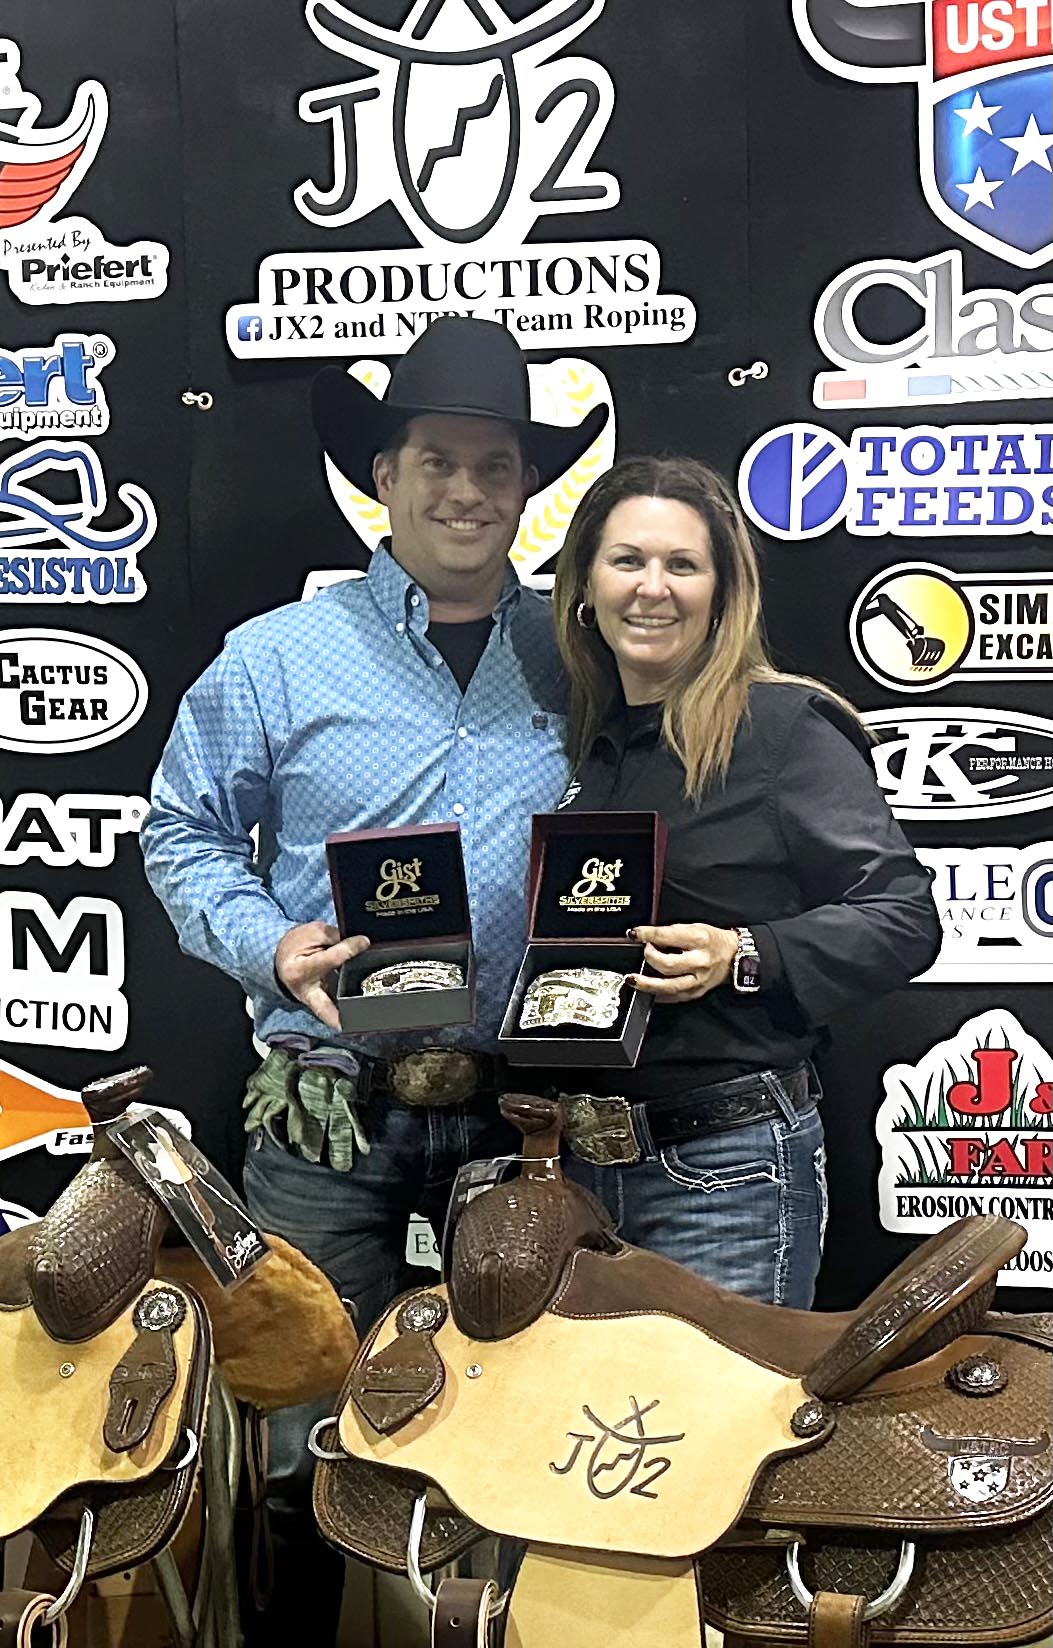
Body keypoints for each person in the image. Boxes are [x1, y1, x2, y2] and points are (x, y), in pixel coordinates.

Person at [140, 316, 606, 1644]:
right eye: (437, 462)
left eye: (495, 466)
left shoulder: (581, 655)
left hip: (525, 1107)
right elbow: (177, 828)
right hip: (325, 1106)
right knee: (297, 1428)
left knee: (528, 1419)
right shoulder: (276, 658)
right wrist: (262, 940)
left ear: (528, 488)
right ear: (383, 478)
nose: (466, 493)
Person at [547, 455, 942, 1308]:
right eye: (626, 561)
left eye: (681, 565)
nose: (651, 588)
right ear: (584, 582)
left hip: (724, 1174)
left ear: (722, 593)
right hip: (576, 1179)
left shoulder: (780, 727)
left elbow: (903, 916)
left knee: (718, 1442)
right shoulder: (580, 743)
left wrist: (745, 952)